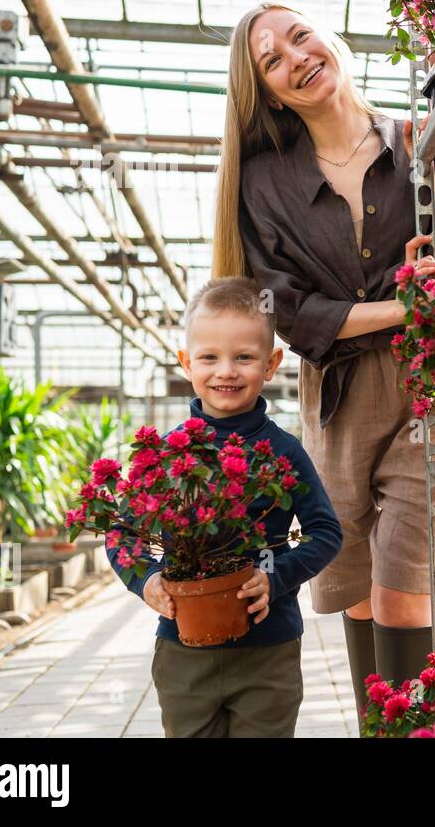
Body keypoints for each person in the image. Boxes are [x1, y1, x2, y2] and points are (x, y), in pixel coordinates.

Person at [210, 1, 435, 729]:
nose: (295, 58)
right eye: (271, 61)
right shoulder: (264, 183)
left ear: (328, 37)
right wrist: (410, 302)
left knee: (407, 591)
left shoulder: (421, 138)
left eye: (299, 36)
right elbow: (286, 306)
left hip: (428, 389)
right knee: (366, 597)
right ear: (268, 94)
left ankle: (418, 724)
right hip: (337, 405)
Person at [106, 276, 343, 737]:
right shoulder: (170, 453)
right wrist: (146, 579)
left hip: (268, 653)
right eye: (209, 357)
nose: (226, 371)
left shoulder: (284, 450)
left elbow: (326, 533)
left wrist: (275, 579)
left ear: (271, 364)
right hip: (183, 651)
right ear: (186, 362)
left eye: (244, 357)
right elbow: (122, 534)